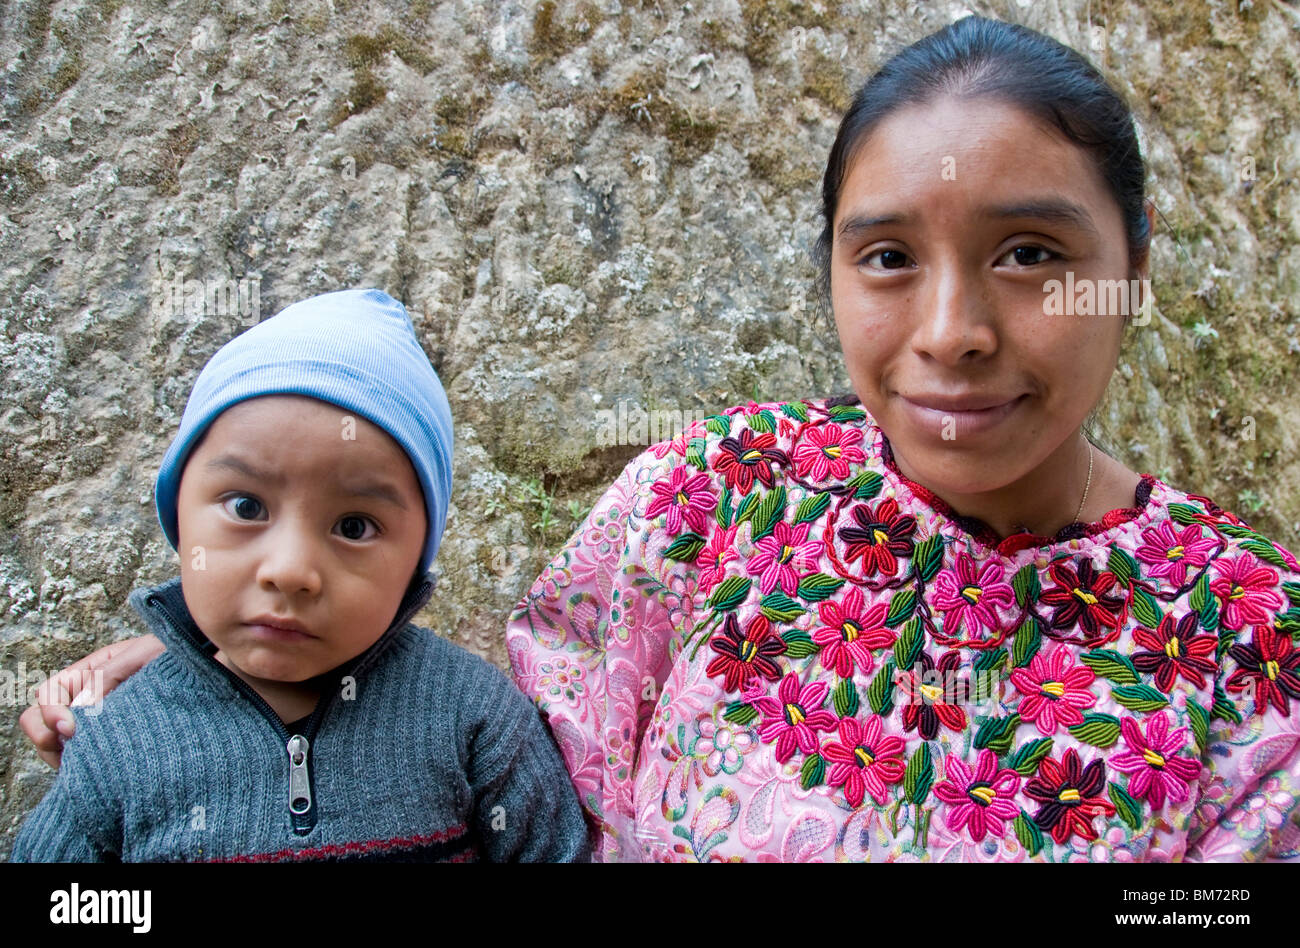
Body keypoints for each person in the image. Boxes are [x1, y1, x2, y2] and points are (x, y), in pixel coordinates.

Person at [504, 17, 1300, 861]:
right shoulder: (707, 500)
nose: (952, 333)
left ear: (1133, 271)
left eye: (1029, 253)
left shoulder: (1256, 647)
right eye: (888, 257)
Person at [11, 289, 588, 862]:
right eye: (245, 507)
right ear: (177, 516)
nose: (290, 571)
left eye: (355, 526)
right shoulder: (118, 744)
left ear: (417, 559)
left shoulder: (473, 717)